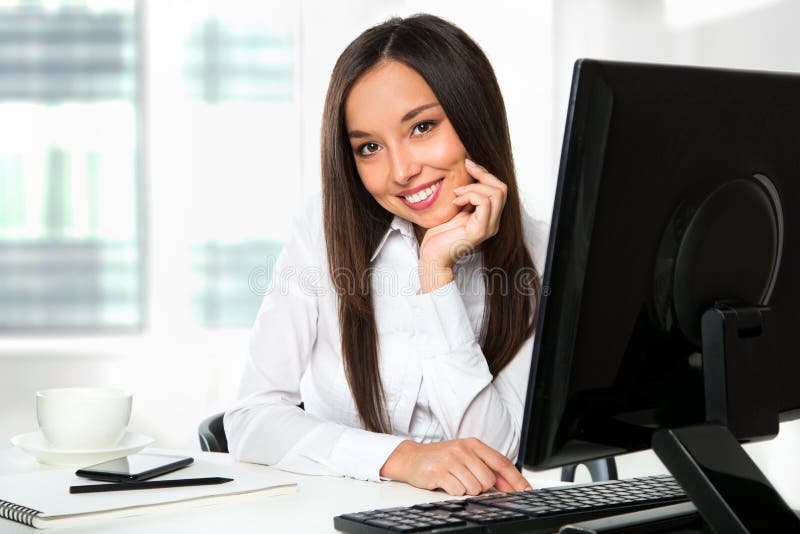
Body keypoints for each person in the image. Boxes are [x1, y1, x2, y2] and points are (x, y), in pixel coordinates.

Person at [224, 13, 548, 497]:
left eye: (422, 127)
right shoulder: (322, 230)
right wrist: (403, 458)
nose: (400, 171)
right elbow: (250, 419)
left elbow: (496, 458)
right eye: (370, 147)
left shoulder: (539, 254)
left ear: (473, 114)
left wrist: (435, 276)